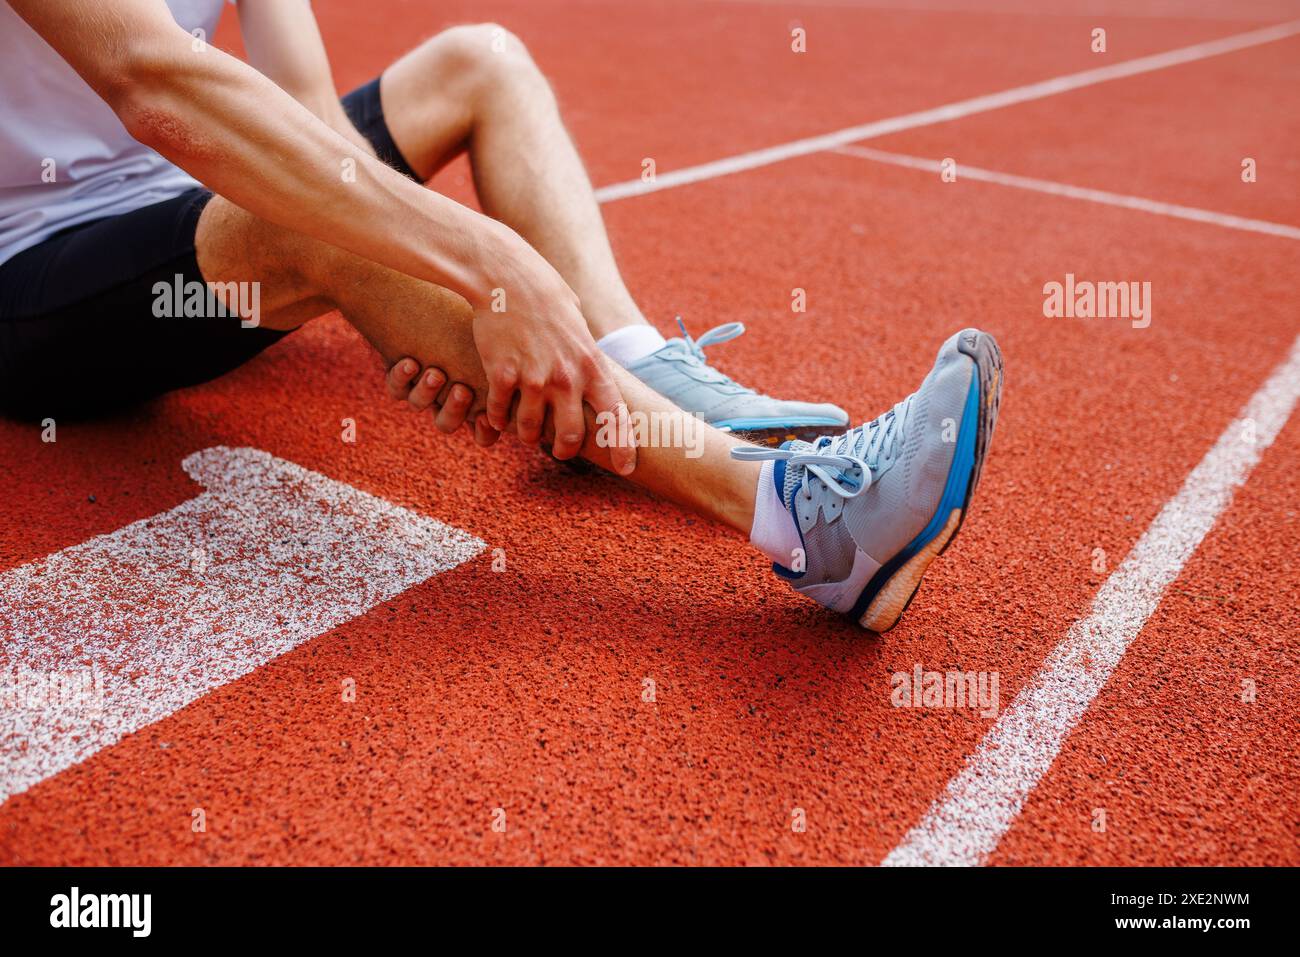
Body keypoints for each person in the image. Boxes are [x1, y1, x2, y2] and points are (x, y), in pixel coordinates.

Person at [0, 0, 1003, 630]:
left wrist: (413, 297)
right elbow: (156, 86)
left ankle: (628, 364)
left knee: (482, 60)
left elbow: (311, 120)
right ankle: (808, 523)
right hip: (34, 277)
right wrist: (486, 266)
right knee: (309, 225)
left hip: (189, 210)